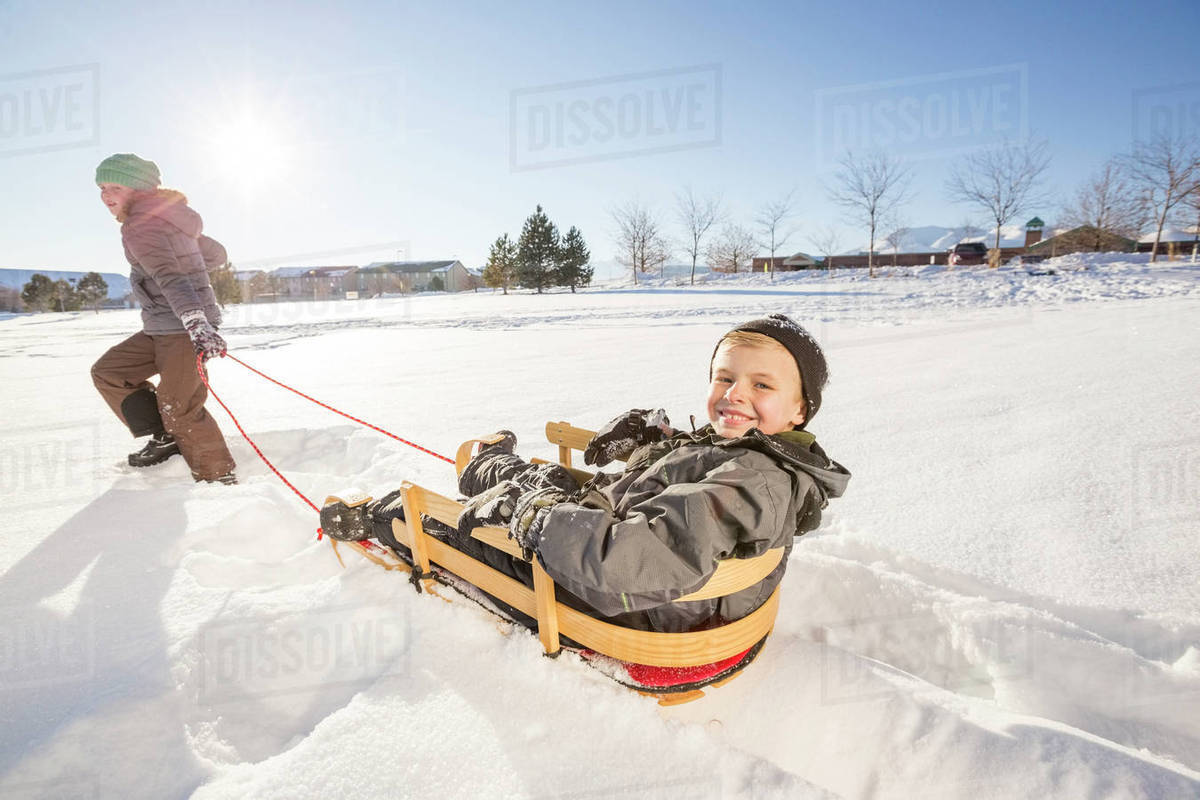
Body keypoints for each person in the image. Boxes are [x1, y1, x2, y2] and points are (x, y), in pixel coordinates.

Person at [321, 314, 850, 633]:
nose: (735, 395)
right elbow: (695, 479)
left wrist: (533, 519)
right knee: (541, 485)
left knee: (453, 526)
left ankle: (374, 517)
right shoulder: (759, 456)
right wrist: (654, 442)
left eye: (762, 386)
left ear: (801, 409)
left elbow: (630, 562)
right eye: (725, 377)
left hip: (628, 605)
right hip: (626, 544)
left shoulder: (752, 480)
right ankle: (490, 467)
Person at [90, 153, 237, 484]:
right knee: (111, 371)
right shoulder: (168, 219)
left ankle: (220, 481)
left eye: (115, 185)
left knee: (179, 404)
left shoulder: (139, 226)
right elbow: (216, 254)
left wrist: (195, 320)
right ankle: (165, 437)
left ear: (139, 188)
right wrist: (188, 250)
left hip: (181, 327)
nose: (105, 194)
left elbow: (170, 275)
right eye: (101, 187)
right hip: (161, 325)